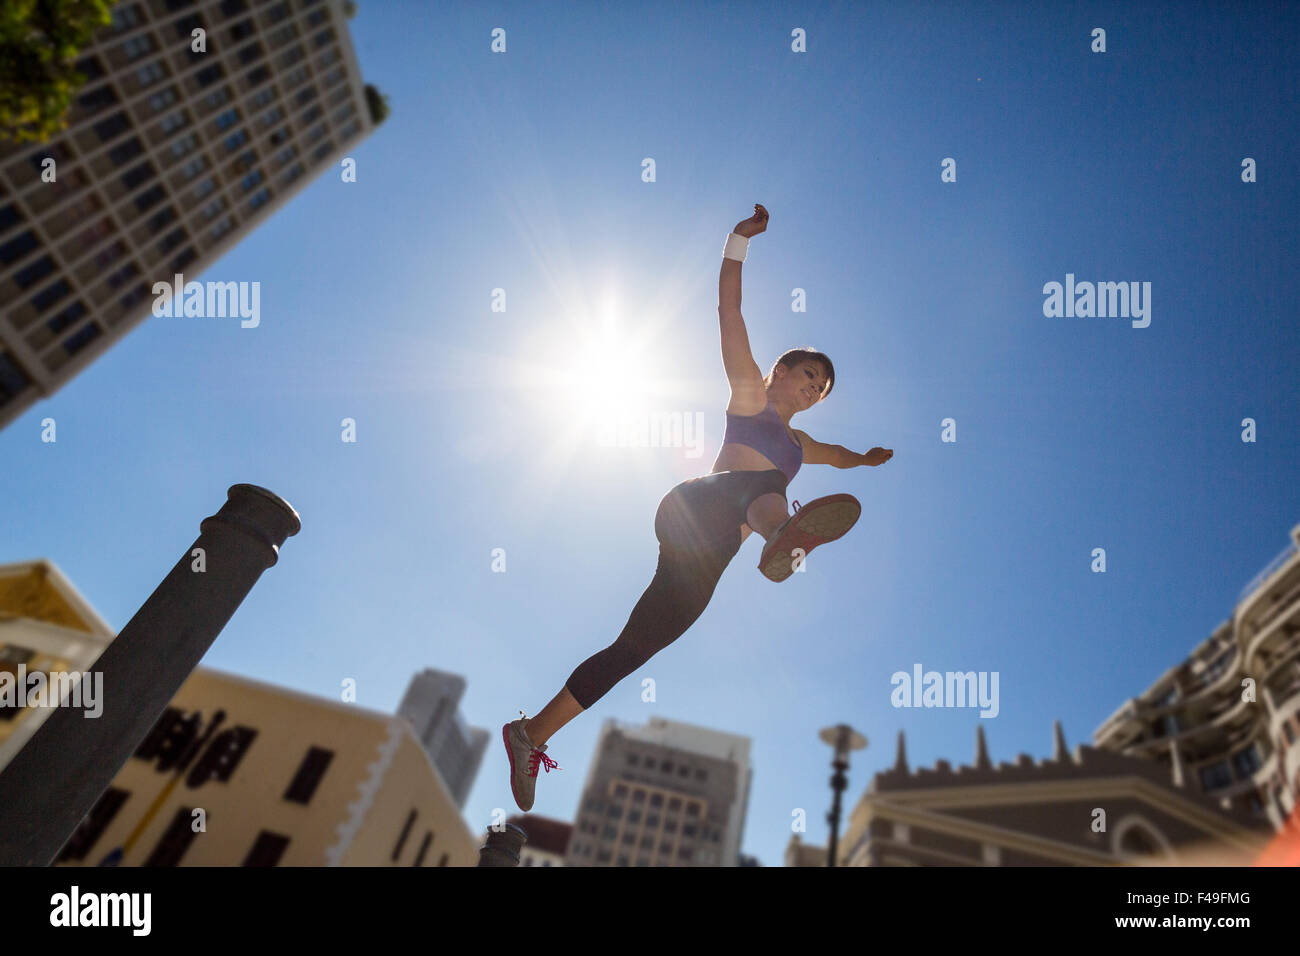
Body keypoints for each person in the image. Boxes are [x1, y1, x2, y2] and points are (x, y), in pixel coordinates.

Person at [503, 204, 895, 811]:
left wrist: (866, 460)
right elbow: (728, 311)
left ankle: (531, 735)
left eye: (821, 390)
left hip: (710, 556)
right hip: (692, 508)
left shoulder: (802, 445)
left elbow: (837, 457)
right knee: (763, 487)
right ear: (781, 370)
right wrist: (738, 240)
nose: (813, 391)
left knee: (634, 649)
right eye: (809, 377)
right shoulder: (749, 393)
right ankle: (782, 532)